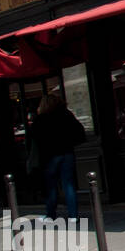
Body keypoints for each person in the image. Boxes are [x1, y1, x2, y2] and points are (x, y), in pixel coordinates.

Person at [32, 92, 87, 220]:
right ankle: (73, 215)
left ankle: (51, 214)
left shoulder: (41, 118)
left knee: (51, 186)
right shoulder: (66, 114)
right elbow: (79, 132)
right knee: (68, 184)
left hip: (50, 155)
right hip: (66, 152)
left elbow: (35, 138)